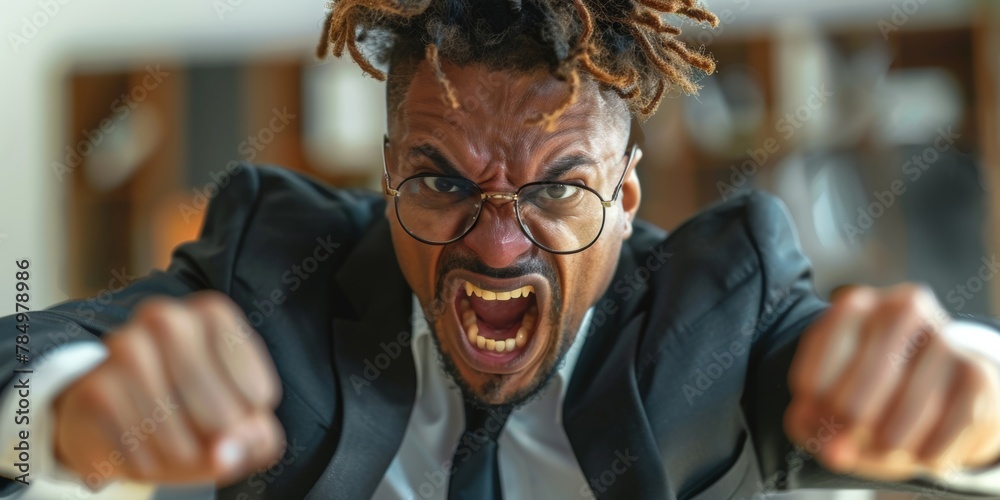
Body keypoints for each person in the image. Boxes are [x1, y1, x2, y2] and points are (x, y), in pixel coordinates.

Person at [3, 1, 1000, 498]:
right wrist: (67, 412)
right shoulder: (277, 267)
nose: (496, 239)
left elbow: (949, 401)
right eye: (439, 180)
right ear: (387, 179)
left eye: (559, 187)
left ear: (626, 199)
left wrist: (971, 401)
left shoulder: (719, 299)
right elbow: (20, 366)